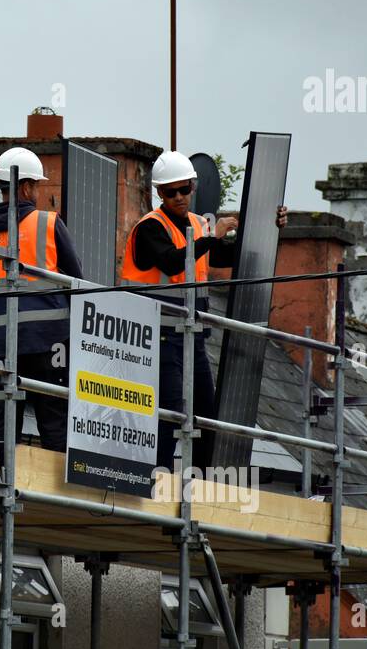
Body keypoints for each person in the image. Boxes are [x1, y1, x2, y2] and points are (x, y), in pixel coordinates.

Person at [120, 151, 287, 473]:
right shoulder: (150, 228)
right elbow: (170, 260)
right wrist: (212, 236)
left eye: (184, 189)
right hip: (158, 336)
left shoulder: (197, 225)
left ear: (193, 187)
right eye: (171, 192)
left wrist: (272, 228)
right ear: (159, 193)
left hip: (192, 336)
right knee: (169, 412)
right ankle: (161, 482)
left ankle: (204, 488)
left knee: (207, 414)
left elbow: (231, 255)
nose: (179, 197)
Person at [0, 147, 84, 464]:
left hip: (0, 344)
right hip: (50, 343)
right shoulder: (47, 223)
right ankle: (55, 498)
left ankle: (4, 486)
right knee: (55, 419)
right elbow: (77, 281)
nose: (37, 192)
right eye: (35, 185)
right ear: (24, 187)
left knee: (4, 423)